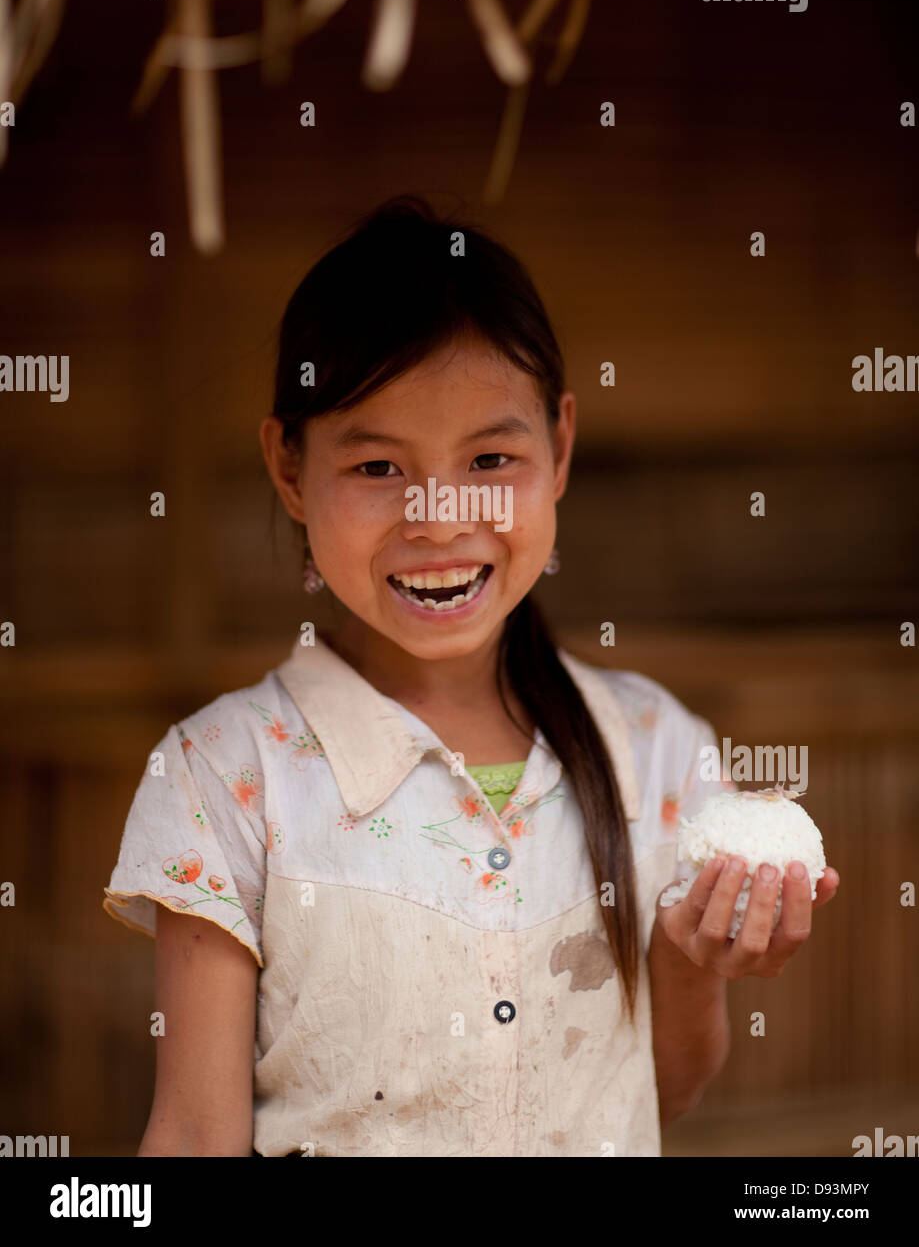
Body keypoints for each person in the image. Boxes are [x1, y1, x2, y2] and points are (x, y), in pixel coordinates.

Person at [103, 194, 839, 1157]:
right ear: (289, 467)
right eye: (377, 468)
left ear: (560, 446)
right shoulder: (221, 774)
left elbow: (662, 1092)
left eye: (490, 456)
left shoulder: (658, 754)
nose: (441, 516)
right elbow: (197, 1136)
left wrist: (694, 960)